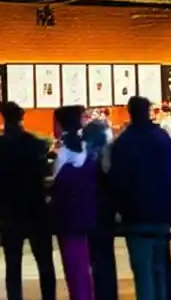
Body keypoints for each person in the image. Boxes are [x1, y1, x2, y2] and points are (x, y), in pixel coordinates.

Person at [0, 101, 56, 300]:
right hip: (36, 208)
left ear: (3, 118)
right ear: (22, 118)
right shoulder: (36, 144)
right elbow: (44, 171)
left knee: (13, 264)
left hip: (9, 211)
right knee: (44, 263)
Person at [107, 97, 171, 300]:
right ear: (149, 111)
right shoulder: (162, 138)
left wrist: (118, 208)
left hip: (136, 213)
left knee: (142, 269)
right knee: (159, 267)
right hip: (162, 210)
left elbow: (117, 180)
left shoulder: (123, 142)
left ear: (130, 112)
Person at [52, 106, 96, 300]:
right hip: (87, 213)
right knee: (84, 267)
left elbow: (58, 183)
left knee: (74, 269)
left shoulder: (64, 152)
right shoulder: (87, 147)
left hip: (68, 217)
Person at [83, 120, 117, 300]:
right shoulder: (109, 161)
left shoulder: (84, 161)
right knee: (106, 258)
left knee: (95, 259)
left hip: (89, 213)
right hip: (106, 213)